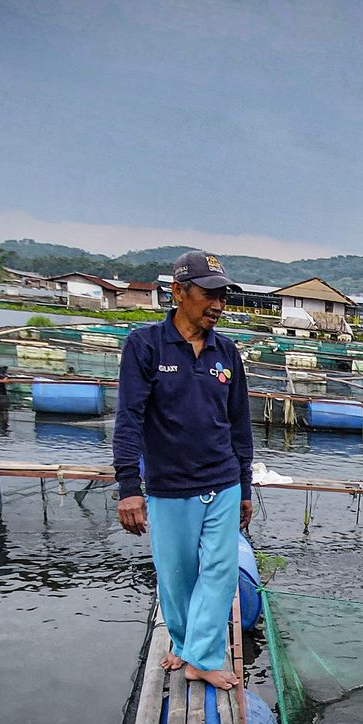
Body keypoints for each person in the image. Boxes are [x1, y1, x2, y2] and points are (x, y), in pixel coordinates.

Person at [113, 250, 254, 691]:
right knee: (176, 577)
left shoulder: (226, 352)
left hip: (222, 481)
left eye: (223, 296)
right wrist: (128, 486)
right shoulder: (146, 346)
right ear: (178, 291)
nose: (218, 305)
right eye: (209, 295)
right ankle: (183, 641)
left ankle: (202, 659)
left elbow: (240, 424)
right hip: (170, 486)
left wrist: (245, 487)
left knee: (220, 572)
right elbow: (129, 418)